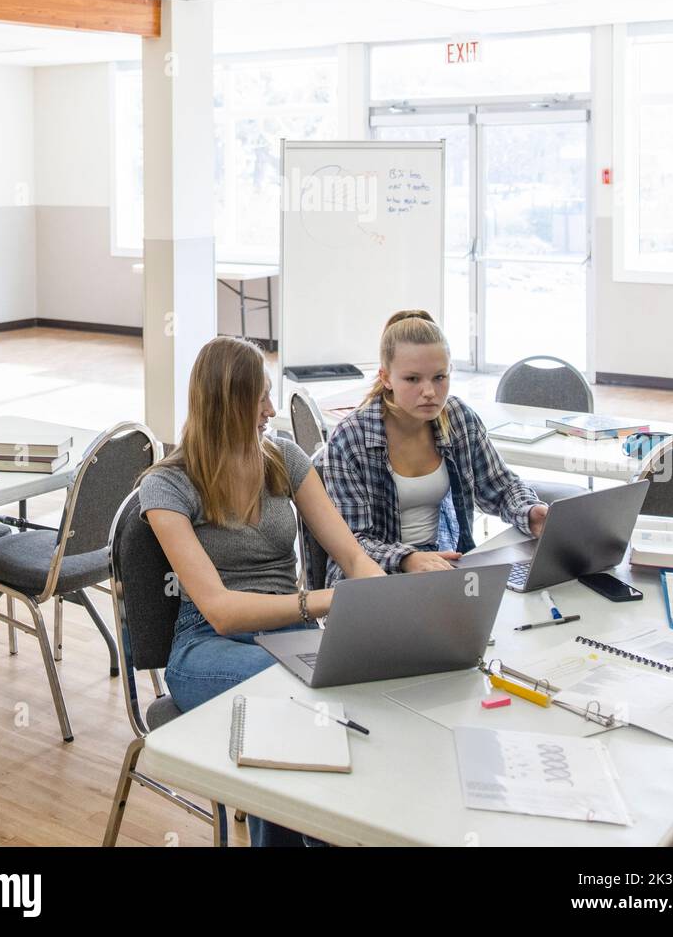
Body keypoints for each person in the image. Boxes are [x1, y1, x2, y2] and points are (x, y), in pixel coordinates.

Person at [138, 335, 384, 848]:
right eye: (260, 400)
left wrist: (388, 603)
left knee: (357, 692)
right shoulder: (168, 485)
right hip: (205, 643)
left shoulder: (284, 458)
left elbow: (353, 555)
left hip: (290, 636)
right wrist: (319, 602)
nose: (272, 410)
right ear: (225, 406)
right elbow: (222, 612)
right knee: (288, 697)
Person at [319, 310, 548, 585]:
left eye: (439, 377)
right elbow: (351, 544)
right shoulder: (351, 439)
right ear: (386, 378)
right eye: (413, 379)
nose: (429, 392)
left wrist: (530, 511)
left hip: (443, 569)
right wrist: (408, 559)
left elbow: (501, 487)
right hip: (370, 581)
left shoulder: (458, 418)